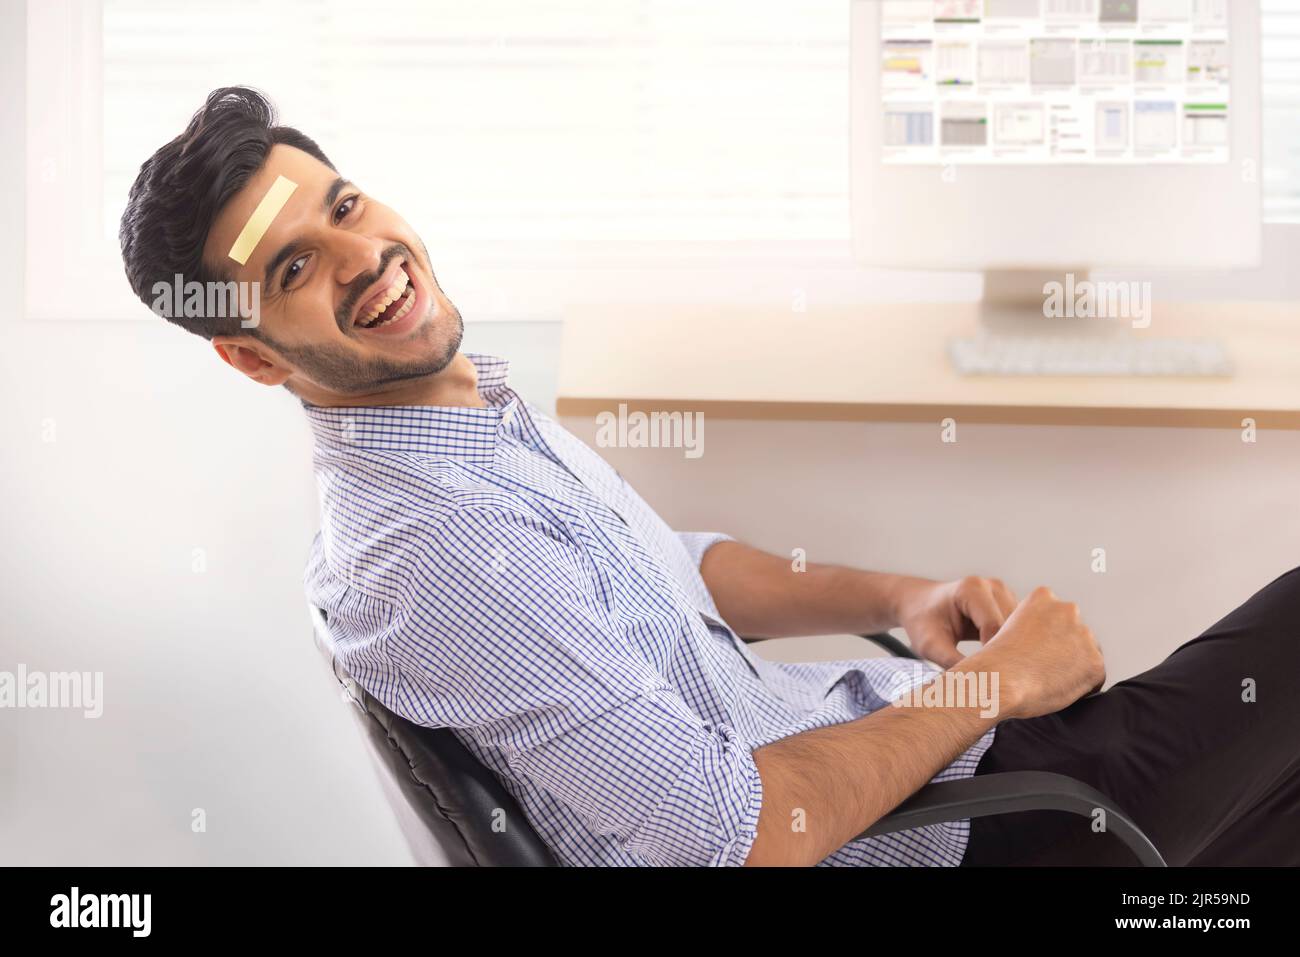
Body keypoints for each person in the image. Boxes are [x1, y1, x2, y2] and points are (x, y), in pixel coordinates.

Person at [118, 87, 1300, 866]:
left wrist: (893, 599)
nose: (364, 259)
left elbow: (659, 574)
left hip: (932, 773)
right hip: (957, 835)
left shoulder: (454, 423)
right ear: (247, 351)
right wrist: (994, 688)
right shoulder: (436, 555)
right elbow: (727, 834)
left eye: (342, 208)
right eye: (295, 268)